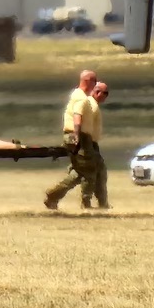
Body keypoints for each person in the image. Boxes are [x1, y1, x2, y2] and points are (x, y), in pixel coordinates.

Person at [44, 70, 97, 209]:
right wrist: (77, 136)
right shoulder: (81, 98)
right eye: (94, 81)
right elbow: (77, 117)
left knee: (80, 171)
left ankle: (54, 196)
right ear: (88, 81)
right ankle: (82, 202)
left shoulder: (76, 94)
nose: (95, 84)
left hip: (78, 136)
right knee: (89, 169)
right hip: (79, 137)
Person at [81, 81, 111, 209]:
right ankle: (88, 202)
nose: (106, 96)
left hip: (92, 144)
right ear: (97, 92)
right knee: (89, 173)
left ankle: (102, 202)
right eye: (105, 93)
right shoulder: (91, 105)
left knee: (99, 173)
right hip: (89, 144)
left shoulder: (92, 105)